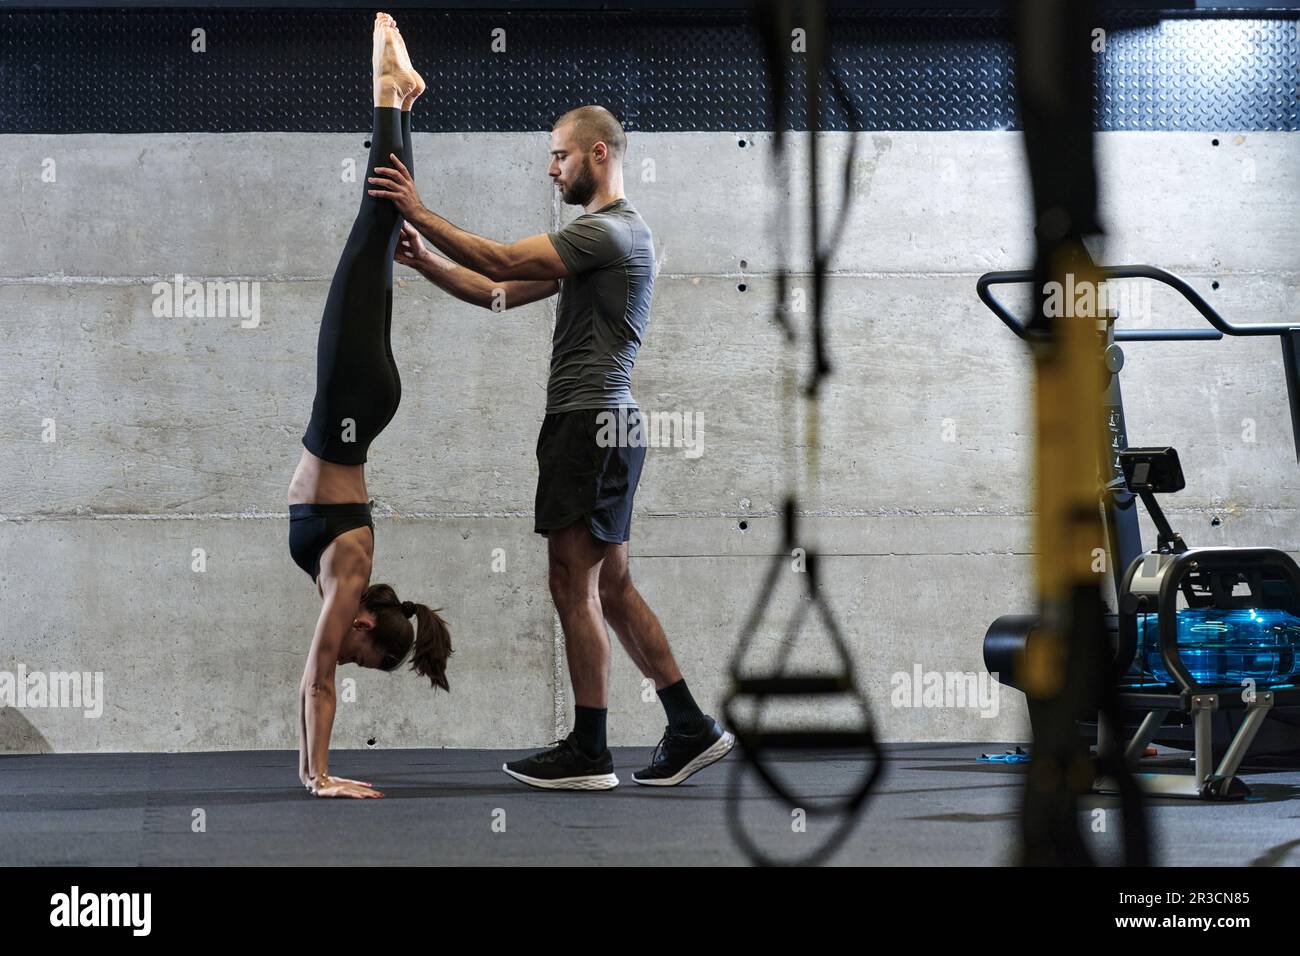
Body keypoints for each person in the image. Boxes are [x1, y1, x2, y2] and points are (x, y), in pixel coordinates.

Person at [370, 103, 733, 790]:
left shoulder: (611, 233)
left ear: (598, 154)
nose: (550, 167)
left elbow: (504, 256)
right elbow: (499, 291)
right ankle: (690, 727)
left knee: (574, 584)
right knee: (614, 588)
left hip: (588, 424)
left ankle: (590, 750)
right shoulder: (599, 245)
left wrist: (418, 210)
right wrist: (424, 261)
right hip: (605, 427)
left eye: (559, 155)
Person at [289, 12, 451, 800]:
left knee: (378, 237)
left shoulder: (345, 582)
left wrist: (312, 771)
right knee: (377, 220)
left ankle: (403, 102)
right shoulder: (349, 576)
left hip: (354, 404)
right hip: (350, 399)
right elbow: (318, 677)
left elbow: (325, 672)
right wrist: (320, 779)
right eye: (362, 654)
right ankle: (388, 91)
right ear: (363, 627)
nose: (347, 659)